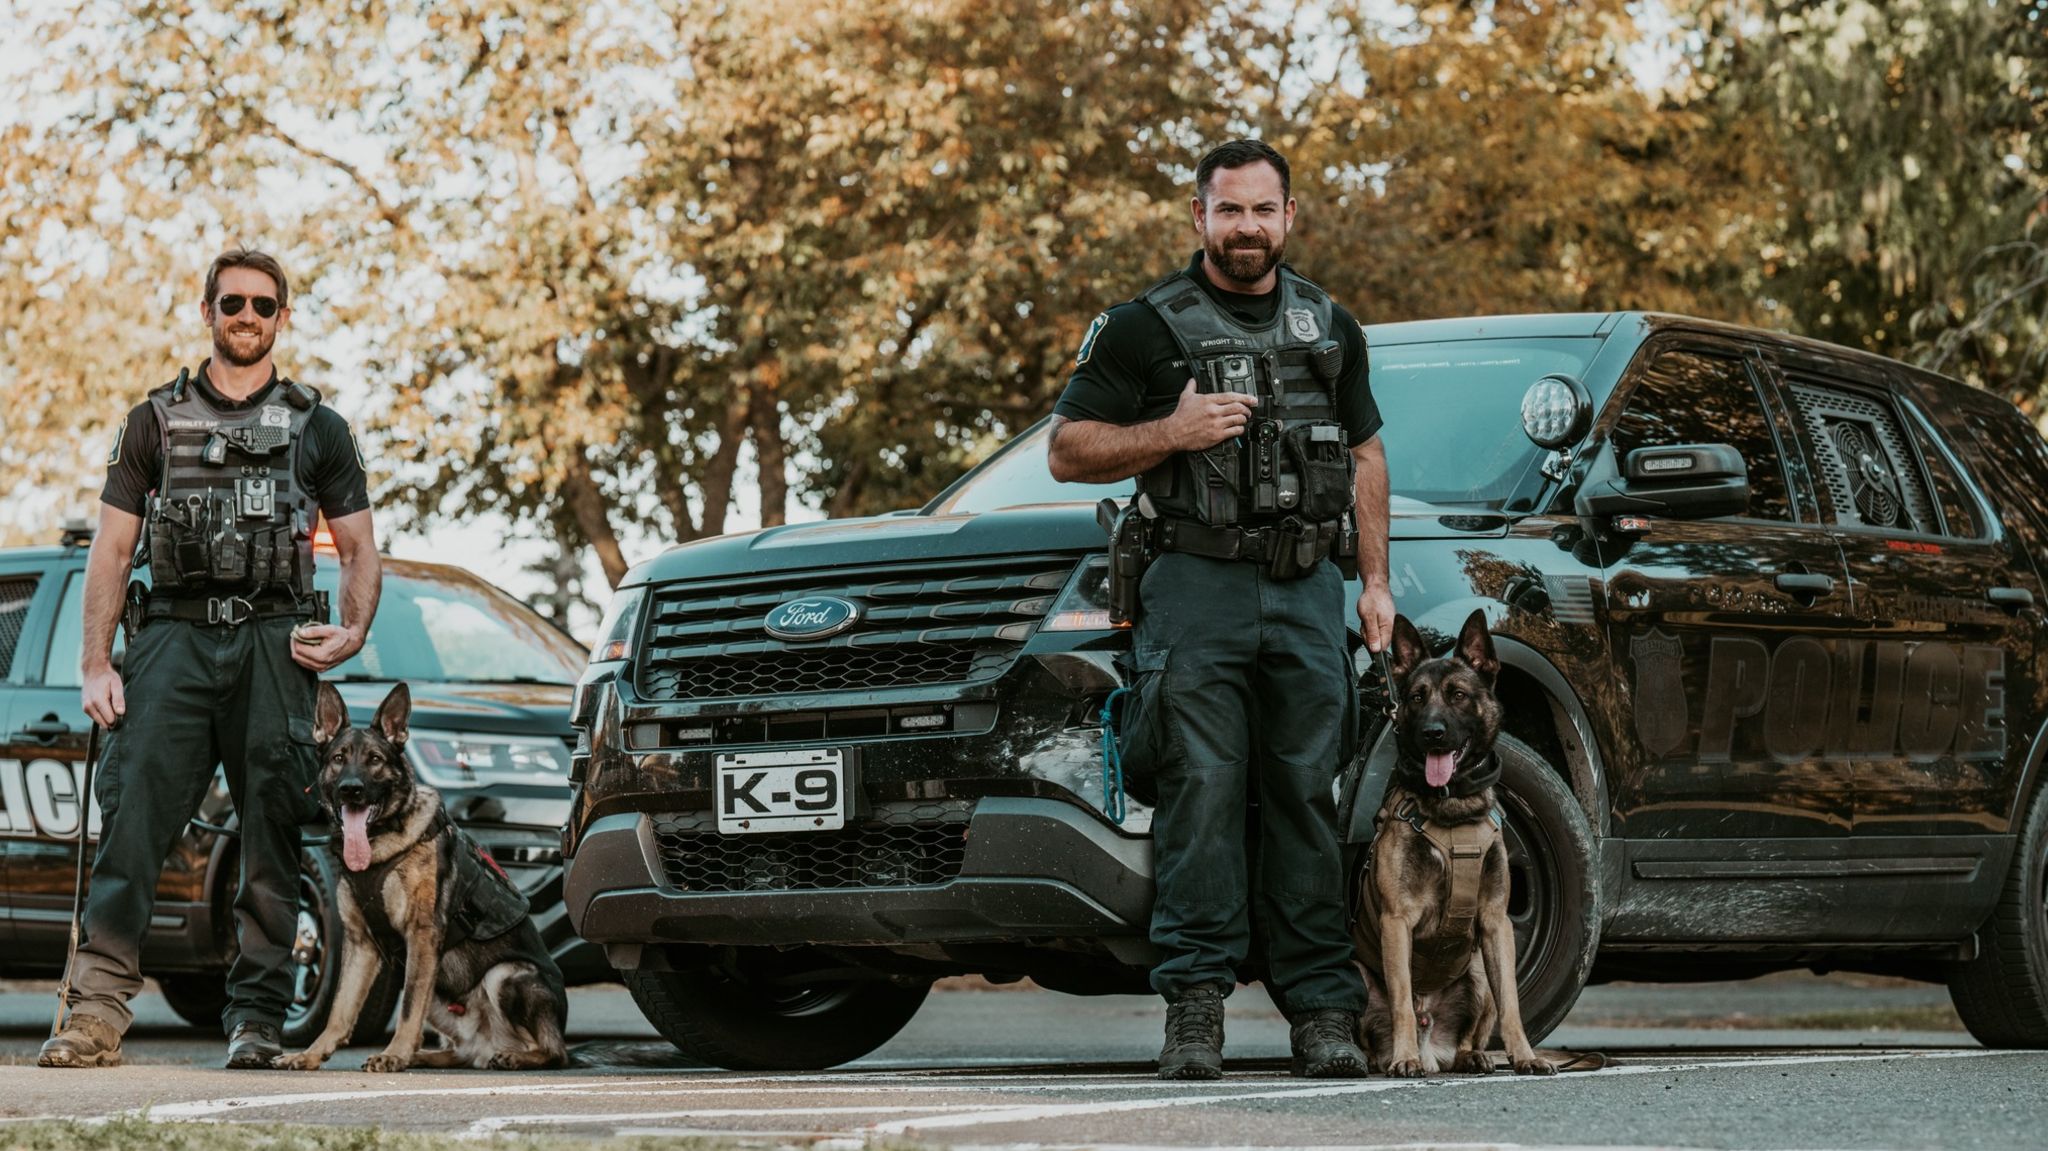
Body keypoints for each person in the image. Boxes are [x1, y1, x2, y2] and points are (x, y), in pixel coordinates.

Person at [1048, 140, 1393, 1080]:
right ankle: (1194, 1011)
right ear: (1198, 215)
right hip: (1195, 586)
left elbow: (1366, 453)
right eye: (1229, 209)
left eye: (1263, 210)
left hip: (1307, 588)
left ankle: (1322, 1011)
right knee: (1199, 792)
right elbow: (1067, 449)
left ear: (1290, 216)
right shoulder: (1140, 326)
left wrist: (1374, 582)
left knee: (1307, 795)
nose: (1247, 227)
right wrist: (1172, 431)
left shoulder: (1331, 325)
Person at [39, 247, 382, 1070]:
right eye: (233, 302)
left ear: (282, 318)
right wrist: (96, 663)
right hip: (173, 640)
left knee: (272, 832)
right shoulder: (153, 420)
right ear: (208, 312)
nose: (247, 317)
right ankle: (95, 1012)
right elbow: (111, 551)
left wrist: (354, 630)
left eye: (264, 305)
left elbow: (360, 548)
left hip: (276, 643)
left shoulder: (320, 427)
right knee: (133, 823)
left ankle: (257, 1018)